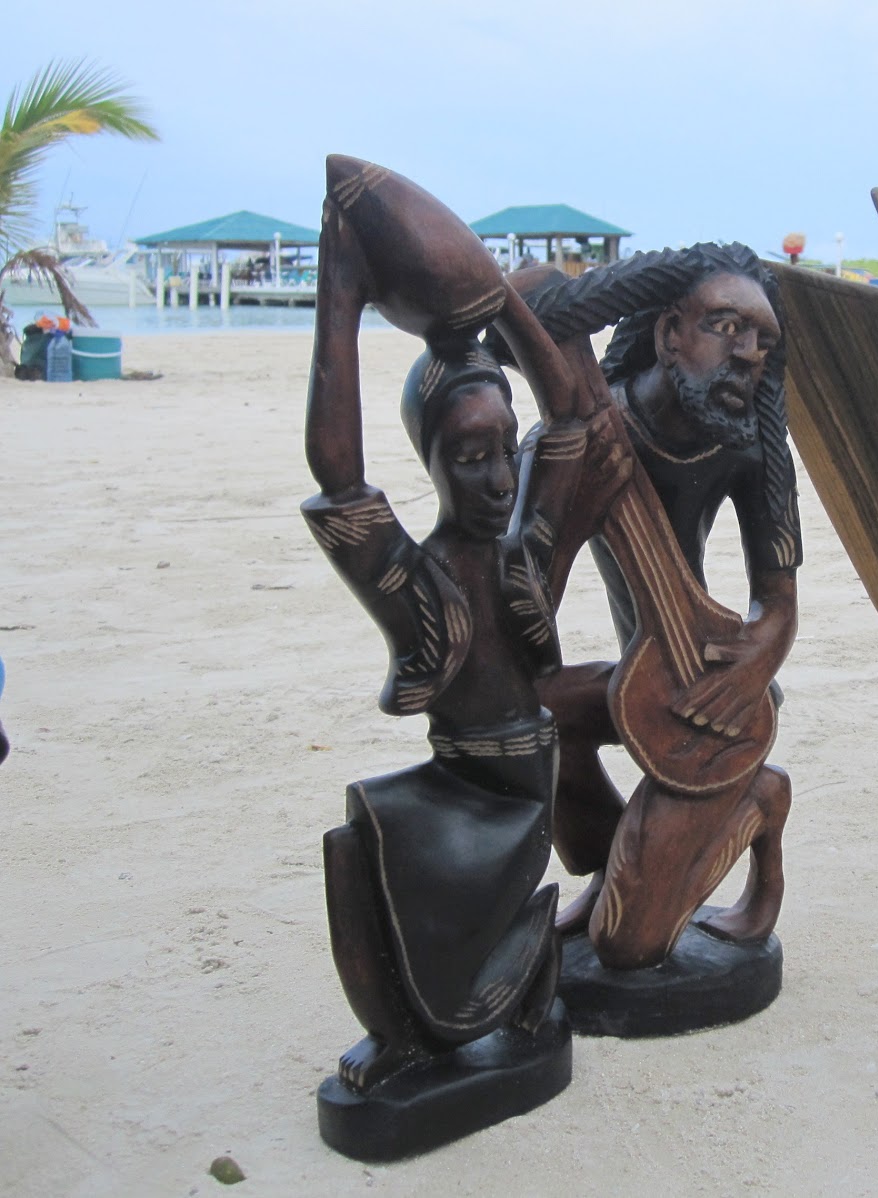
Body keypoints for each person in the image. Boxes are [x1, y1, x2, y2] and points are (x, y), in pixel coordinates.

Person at [302, 201, 623, 1089]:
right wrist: (341, 298)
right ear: (431, 463)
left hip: (519, 793)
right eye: (469, 456)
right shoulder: (417, 581)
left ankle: (484, 1000)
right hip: (463, 777)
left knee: (388, 842)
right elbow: (337, 474)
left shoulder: (528, 555)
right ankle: (414, 1033)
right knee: (354, 846)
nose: (497, 478)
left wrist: (500, 302)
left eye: (504, 453)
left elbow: (569, 417)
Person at [495, 244, 800, 970]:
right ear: (668, 334)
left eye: (762, 341)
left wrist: (758, 656)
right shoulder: (587, 435)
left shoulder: (748, 450)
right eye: (726, 326)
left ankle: (759, 800)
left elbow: (778, 605)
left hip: (716, 693)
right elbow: (514, 306)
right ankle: (608, 864)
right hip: (641, 684)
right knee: (537, 713)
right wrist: (566, 492)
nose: (748, 354)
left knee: (626, 947)